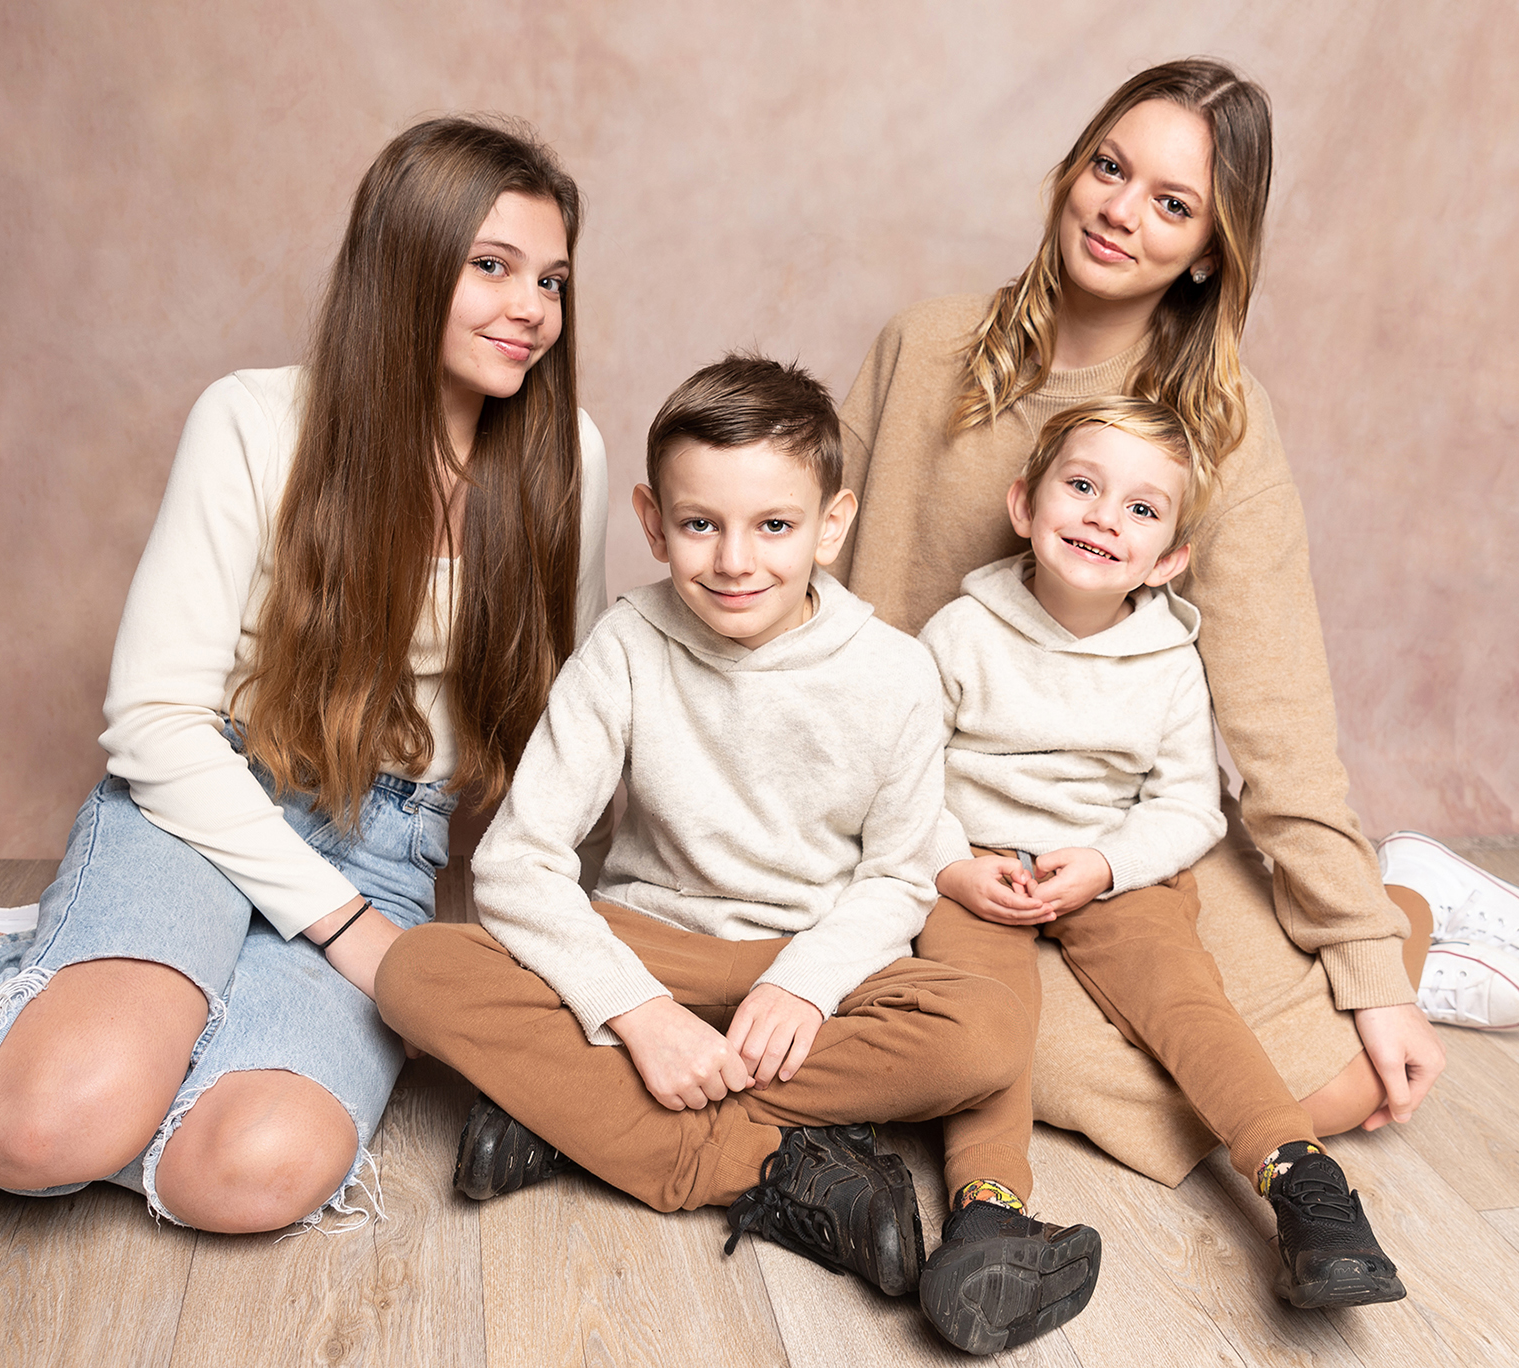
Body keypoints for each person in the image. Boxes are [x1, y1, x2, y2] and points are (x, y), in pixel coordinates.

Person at [0, 116, 610, 1235]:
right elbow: (153, 721)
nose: (531, 307)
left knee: (246, 1174)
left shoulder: (567, 450)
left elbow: (567, 730)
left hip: (392, 850)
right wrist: (340, 931)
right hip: (203, 806)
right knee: (48, 1130)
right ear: (403, 261)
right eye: (492, 266)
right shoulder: (252, 420)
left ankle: (26, 970)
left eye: (552, 278)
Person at [831, 58, 1519, 1189]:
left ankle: (1395, 915)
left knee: (1339, 1079)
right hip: (929, 832)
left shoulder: (1218, 425)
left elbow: (1275, 713)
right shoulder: (923, 347)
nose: (1119, 211)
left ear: (1206, 252)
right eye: (1107, 167)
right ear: (1070, 169)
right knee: (1009, 1061)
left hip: (1126, 845)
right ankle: (1389, 916)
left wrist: (1368, 978)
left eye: (1171, 205)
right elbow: (814, 563)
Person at [376, 356, 1082, 1338]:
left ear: (830, 526)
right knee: (416, 968)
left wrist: (804, 983)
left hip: (812, 956)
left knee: (986, 1032)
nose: (733, 560)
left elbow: (896, 872)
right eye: (699, 524)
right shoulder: (628, 647)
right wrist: (638, 1015)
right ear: (652, 521)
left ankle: (582, 1123)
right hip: (648, 941)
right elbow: (515, 861)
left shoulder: (893, 673)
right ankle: (784, 1166)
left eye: (774, 527)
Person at [918, 397, 1404, 1332]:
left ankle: (1305, 1186)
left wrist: (1103, 865)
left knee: (1184, 1001)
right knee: (986, 1019)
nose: (1105, 516)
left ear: (1171, 557)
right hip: (977, 868)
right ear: (1024, 503)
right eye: (1083, 486)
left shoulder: (1170, 659)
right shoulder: (961, 633)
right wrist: (952, 868)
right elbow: (902, 780)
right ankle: (987, 1213)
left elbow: (1186, 805)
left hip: (1110, 862)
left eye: (1143, 509)